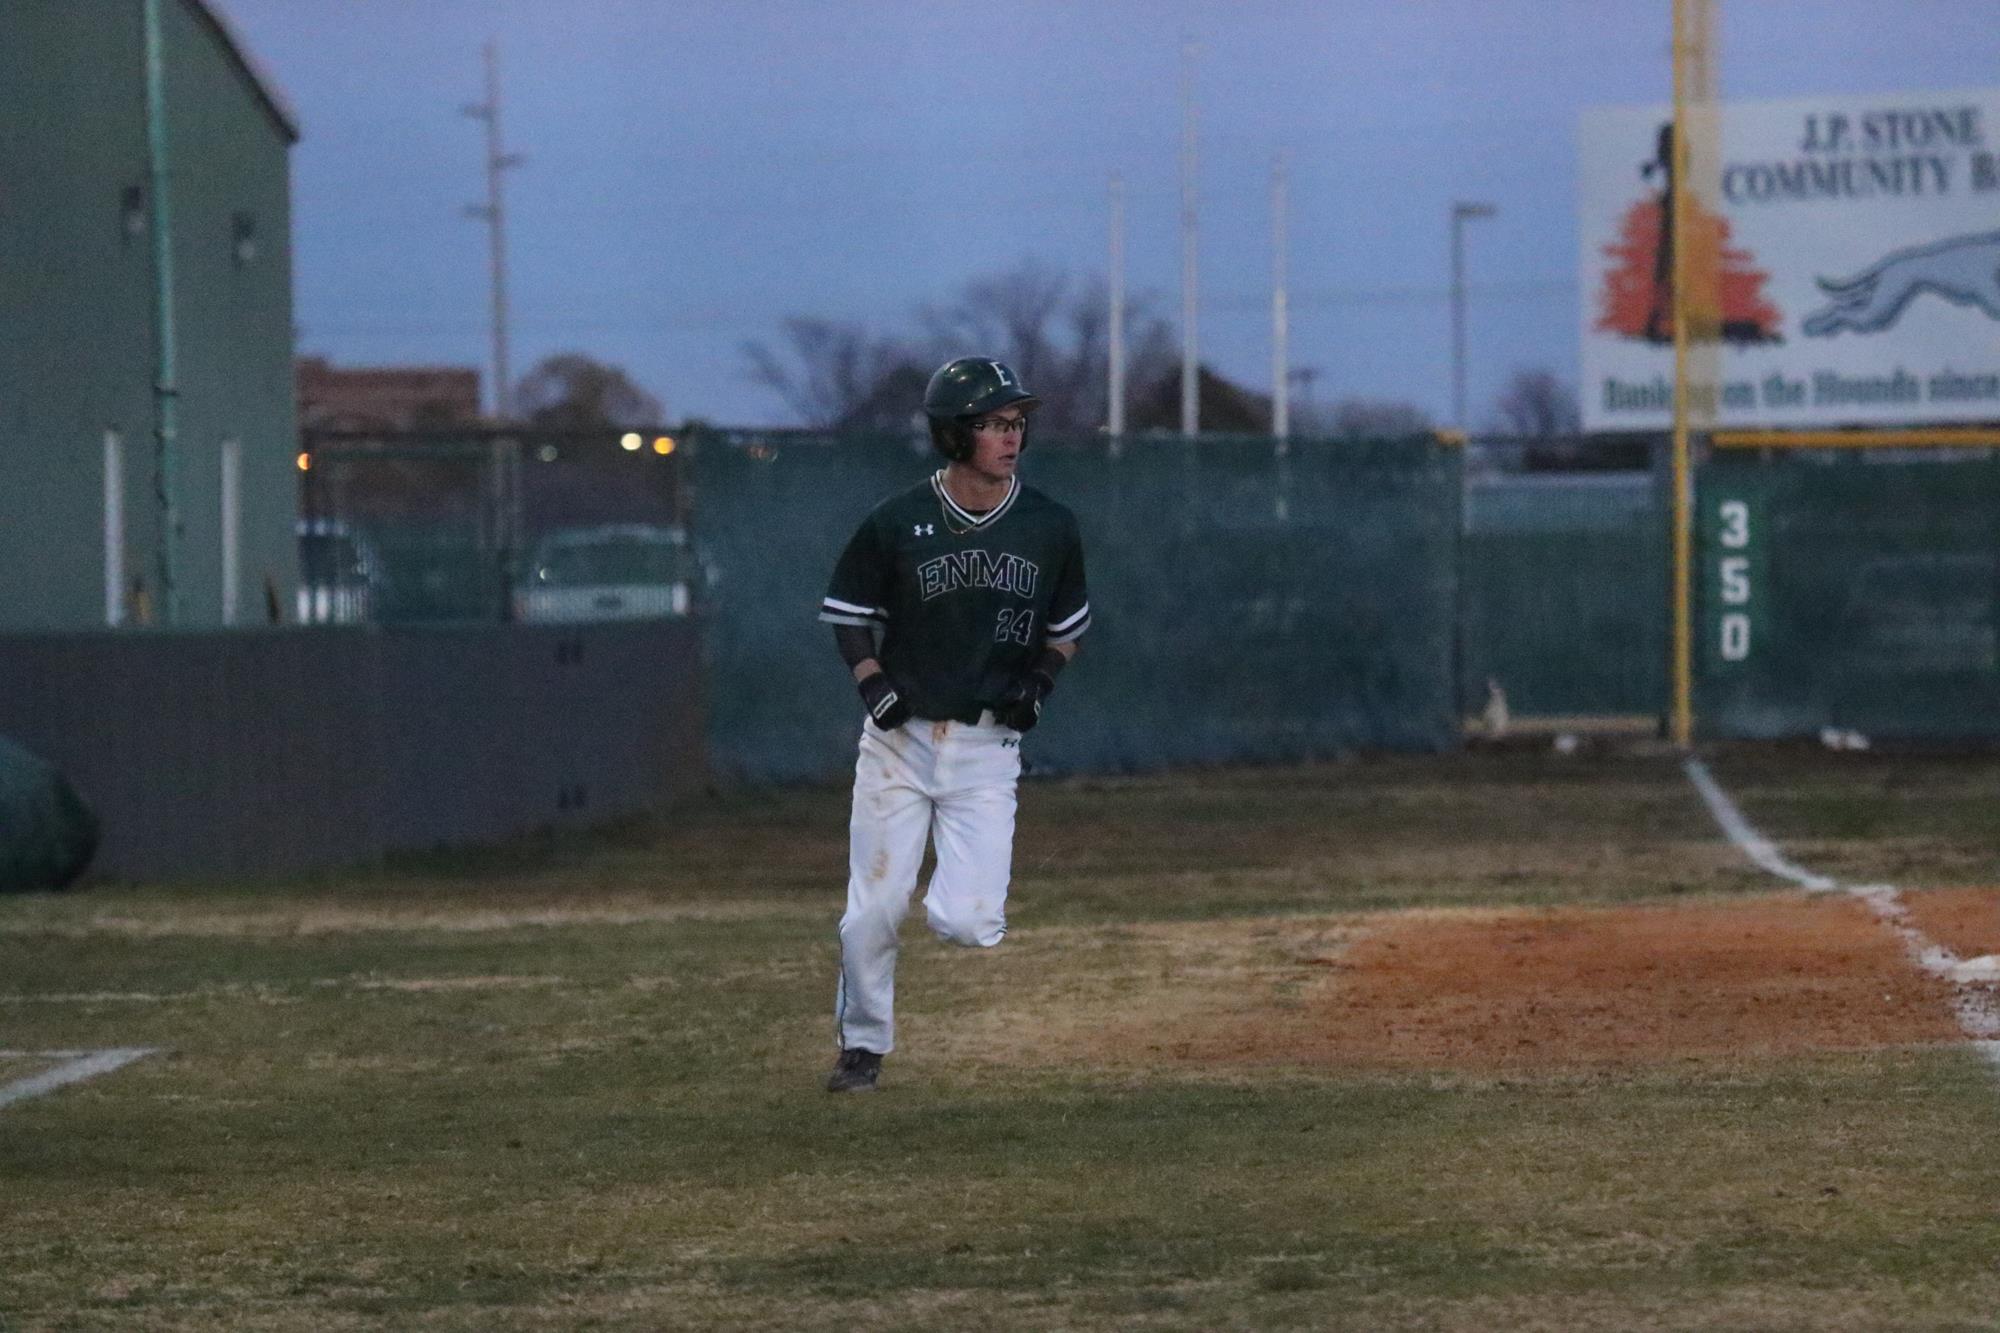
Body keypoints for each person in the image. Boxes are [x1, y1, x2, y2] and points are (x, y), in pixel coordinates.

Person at [816, 357, 1091, 1093]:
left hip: (986, 747)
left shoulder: (1049, 525)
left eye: (1016, 423)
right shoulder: (898, 519)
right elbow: (848, 614)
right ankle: (862, 1045)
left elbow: (1066, 629)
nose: (1011, 436)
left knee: (968, 923)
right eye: (993, 424)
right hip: (899, 744)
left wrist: (1041, 681)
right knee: (873, 909)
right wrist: (872, 682)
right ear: (951, 434)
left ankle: (946, 906)